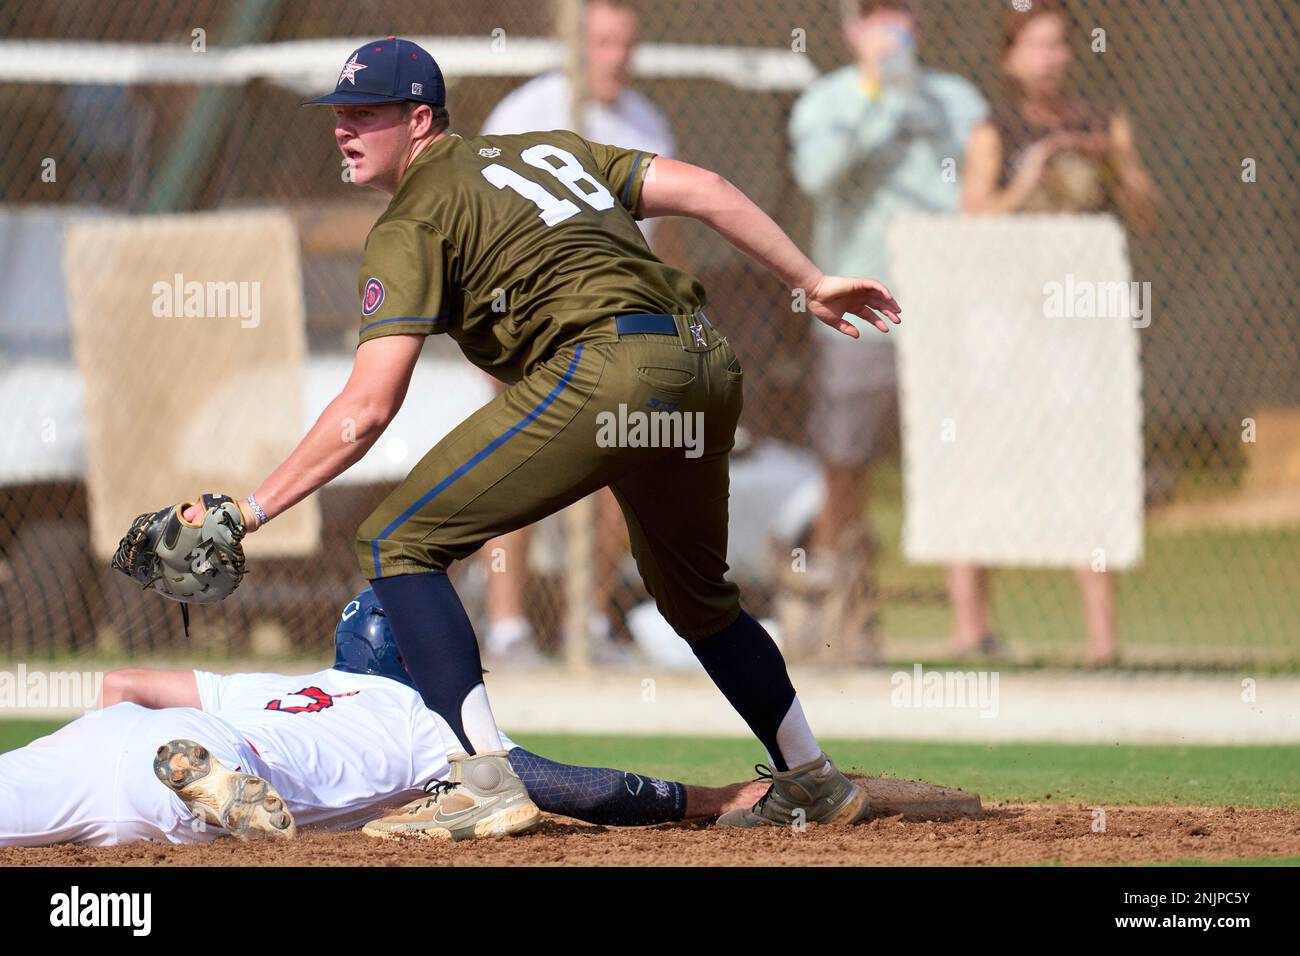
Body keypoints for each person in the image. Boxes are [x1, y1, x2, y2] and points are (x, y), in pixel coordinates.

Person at [182, 36, 900, 838]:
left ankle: (483, 780)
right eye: (339, 115)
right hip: (701, 365)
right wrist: (811, 280)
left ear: (420, 120)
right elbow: (704, 186)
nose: (344, 129)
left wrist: (247, 512)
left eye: (366, 114)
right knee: (696, 600)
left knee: (395, 540)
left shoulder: (412, 217)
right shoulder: (551, 150)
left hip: (611, 370)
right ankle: (811, 779)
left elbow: (368, 409)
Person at [0, 591, 766, 847]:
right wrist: (709, 800)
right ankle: (212, 790)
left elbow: (121, 682)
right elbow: (558, 787)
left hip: (131, 737)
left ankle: (191, 774)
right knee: (209, 796)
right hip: (216, 775)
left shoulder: (279, 681)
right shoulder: (426, 718)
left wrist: (123, 746)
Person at [478, 0, 681, 665]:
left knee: (626, 475)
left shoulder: (646, 123)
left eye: (626, 43)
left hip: (623, 333)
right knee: (522, 472)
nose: (616, 57)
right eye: (601, 43)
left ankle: (589, 625)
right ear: (571, 44)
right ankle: (509, 632)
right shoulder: (523, 114)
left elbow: (665, 243)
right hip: (532, 326)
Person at [955, 0, 1157, 666]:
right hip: (1008, 322)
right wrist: (1030, 176)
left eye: (1057, 45)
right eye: (1035, 46)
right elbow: (972, 223)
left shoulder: (1103, 122)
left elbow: (1147, 212)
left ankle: (1104, 642)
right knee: (986, 460)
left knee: (1085, 466)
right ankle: (970, 631)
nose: (1049, 58)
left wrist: (1113, 167)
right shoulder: (996, 130)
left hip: (1079, 327)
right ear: (1011, 57)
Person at [788, 0, 987, 663]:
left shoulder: (956, 99)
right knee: (845, 470)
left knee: (959, 466)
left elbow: (981, 190)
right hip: (858, 316)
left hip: (944, 312)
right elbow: (817, 177)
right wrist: (877, 97)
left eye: (899, 12)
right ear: (852, 32)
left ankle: (971, 629)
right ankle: (840, 626)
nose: (890, 26)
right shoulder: (827, 101)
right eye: (874, 16)